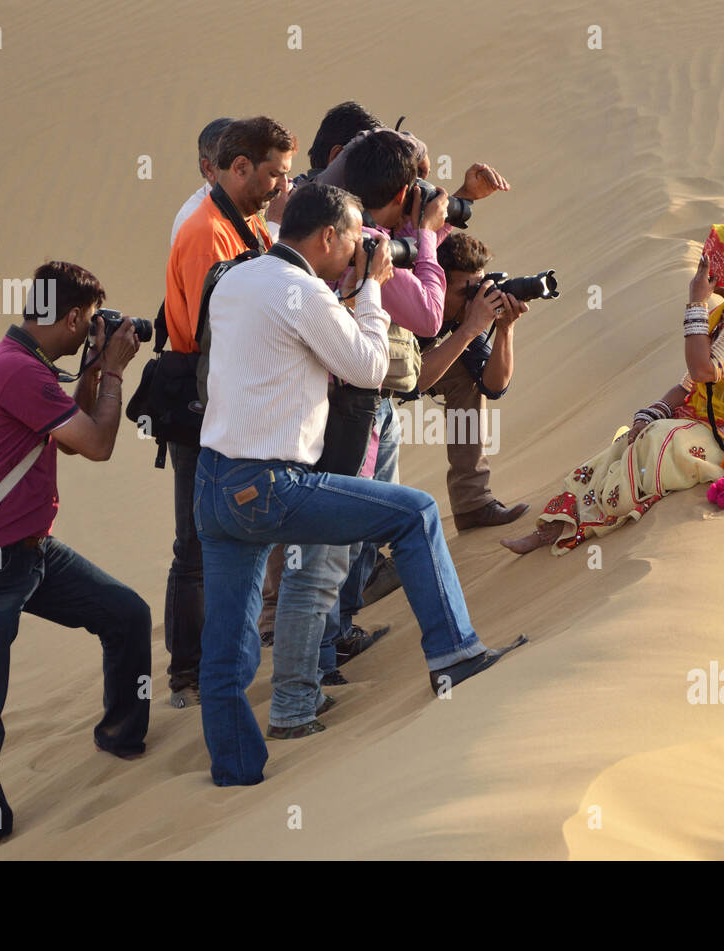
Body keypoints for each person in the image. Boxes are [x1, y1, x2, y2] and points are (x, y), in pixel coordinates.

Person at [196, 183, 524, 782]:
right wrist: (372, 287)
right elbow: (372, 368)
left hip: (214, 485)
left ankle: (236, 772)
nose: (359, 250)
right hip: (272, 484)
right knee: (416, 513)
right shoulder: (300, 291)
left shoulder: (238, 278)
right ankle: (455, 656)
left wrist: (349, 291)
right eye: (353, 239)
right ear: (326, 237)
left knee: (226, 647)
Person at [0, 261, 150, 848]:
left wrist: (93, 369)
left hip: (30, 554)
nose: (91, 332)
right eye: (89, 323)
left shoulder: (23, 362)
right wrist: (111, 372)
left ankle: (120, 735)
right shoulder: (16, 372)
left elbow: (70, 437)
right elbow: (98, 444)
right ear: (74, 316)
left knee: (126, 615)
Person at [310, 136, 513, 691]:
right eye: (418, 180)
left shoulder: (355, 236)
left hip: (365, 405)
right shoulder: (365, 245)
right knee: (346, 540)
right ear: (401, 193)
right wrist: (426, 233)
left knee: (352, 538)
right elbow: (426, 315)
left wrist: (454, 209)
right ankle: (310, 679)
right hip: (347, 408)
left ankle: (332, 646)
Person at [501, 222, 724, 555]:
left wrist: (695, 302)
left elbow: (704, 370)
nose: (705, 269)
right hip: (708, 421)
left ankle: (586, 525)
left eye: (714, 260)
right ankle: (553, 526)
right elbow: (689, 384)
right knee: (627, 441)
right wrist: (651, 412)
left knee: (658, 443)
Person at [160, 116, 296, 707]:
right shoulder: (204, 232)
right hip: (203, 405)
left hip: (240, 403)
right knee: (194, 547)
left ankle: (227, 658)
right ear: (239, 168)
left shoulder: (248, 222)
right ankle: (187, 675)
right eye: (275, 174)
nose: (280, 187)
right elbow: (205, 331)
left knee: (236, 538)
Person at [413, 231, 531, 531]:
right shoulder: (404, 304)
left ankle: (473, 503)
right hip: (352, 385)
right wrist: (467, 331)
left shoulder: (466, 315)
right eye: (466, 292)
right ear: (435, 284)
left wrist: (505, 329)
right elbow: (409, 381)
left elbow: (493, 386)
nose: (474, 300)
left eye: (479, 289)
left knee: (465, 376)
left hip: (413, 364)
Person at [170, 117, 232, 245]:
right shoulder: (196, 220)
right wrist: (275, 223)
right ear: (209, 168)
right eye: (236, 162)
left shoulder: (244, 205)